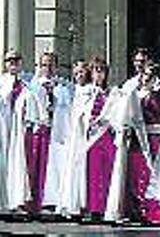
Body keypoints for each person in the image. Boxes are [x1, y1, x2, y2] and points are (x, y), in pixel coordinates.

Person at [104, 49, 160, 225]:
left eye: (144, 63)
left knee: (155, 174)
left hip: (157, 137)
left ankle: (155, 212)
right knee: (137, 174)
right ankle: (137, 210)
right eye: (137, 62)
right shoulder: (131, 87)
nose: (141, 67)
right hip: (137, 139)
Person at [29, 51, 73, 214]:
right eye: (44, 65)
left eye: (50, 65)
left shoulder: (63, 88)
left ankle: (52, 201)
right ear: (39, 66)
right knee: (37, 166)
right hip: (39, 131)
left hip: (57, 133)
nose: (47, 68)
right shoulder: (33, 86)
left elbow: (68, 110)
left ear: (56, 67)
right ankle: (35, 202)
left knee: (54, 168)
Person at [0, 49, 41, 215]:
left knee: (17, 163)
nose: (13, 63)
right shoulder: (2, 82)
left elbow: (33, 105)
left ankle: (15, 201)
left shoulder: (26, 84)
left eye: (16, 60)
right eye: (10, 60)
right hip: (3, 127)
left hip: (17, 130)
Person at [56, 61, 94, 218]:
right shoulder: (70, 90)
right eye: (77, 72)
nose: (79, 75)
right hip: (72, 134)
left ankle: (84, 203)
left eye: (82, 72)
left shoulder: (91, 90)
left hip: (83, 132)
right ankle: (70, 203)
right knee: (71, 166)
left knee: (82, 165)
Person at [84, 57, 117, 221]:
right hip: (92, 137)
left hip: (107, 136)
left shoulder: (112, 92)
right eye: (96, 70)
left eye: (102, 70)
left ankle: (106, 207)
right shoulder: (85, 91)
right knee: (93, 172)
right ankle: (93, 208)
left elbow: (117, 113)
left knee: (107, 172)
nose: (99, 73)